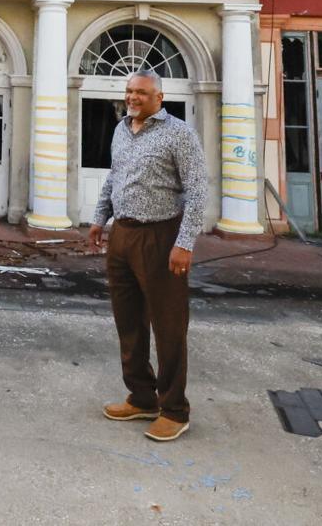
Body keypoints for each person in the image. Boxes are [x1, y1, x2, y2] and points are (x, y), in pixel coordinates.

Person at [87, 68, 209, 442]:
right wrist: (99, 218)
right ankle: (142, 396)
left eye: (140, 92)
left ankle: (174, 409)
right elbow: (113, 176)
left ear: (159, 97)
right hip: (123, 233)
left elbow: (197, 191)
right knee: (129, 321)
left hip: (161, 236)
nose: (133, 97)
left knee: (169, 326)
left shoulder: (179, 134)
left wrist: (184, 243)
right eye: (129, 91)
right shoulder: (121, 129)